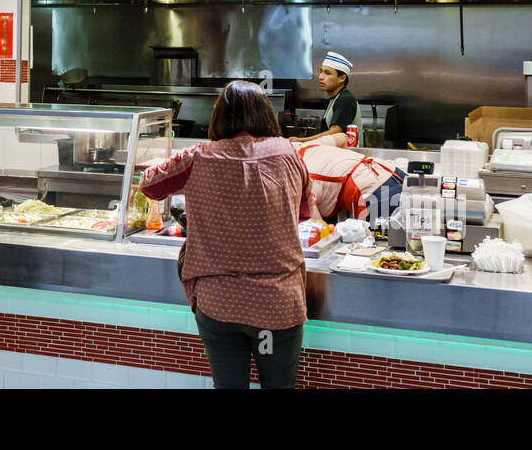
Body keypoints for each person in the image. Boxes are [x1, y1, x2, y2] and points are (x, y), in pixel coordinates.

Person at [140, 80, 312, 389]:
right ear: (266, 115)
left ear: (219, 117)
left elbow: (149, 185)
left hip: (220, 305)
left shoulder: (199, 157)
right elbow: (302, 213)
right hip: (275, 305)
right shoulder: (288, 153)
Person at [295, 132, 402, 222]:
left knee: (386, 244)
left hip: (378, 194)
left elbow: (317, 231)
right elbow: (342, 137)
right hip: (394, 172)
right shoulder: (304, 147)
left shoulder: (298, 182)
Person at [292, 51, 360, 143]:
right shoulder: (335, 99)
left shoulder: (345, 99)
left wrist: (301, 141)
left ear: (342, 78)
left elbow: (334, 132)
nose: (320, 77)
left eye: (327, 73)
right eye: (321, 72)